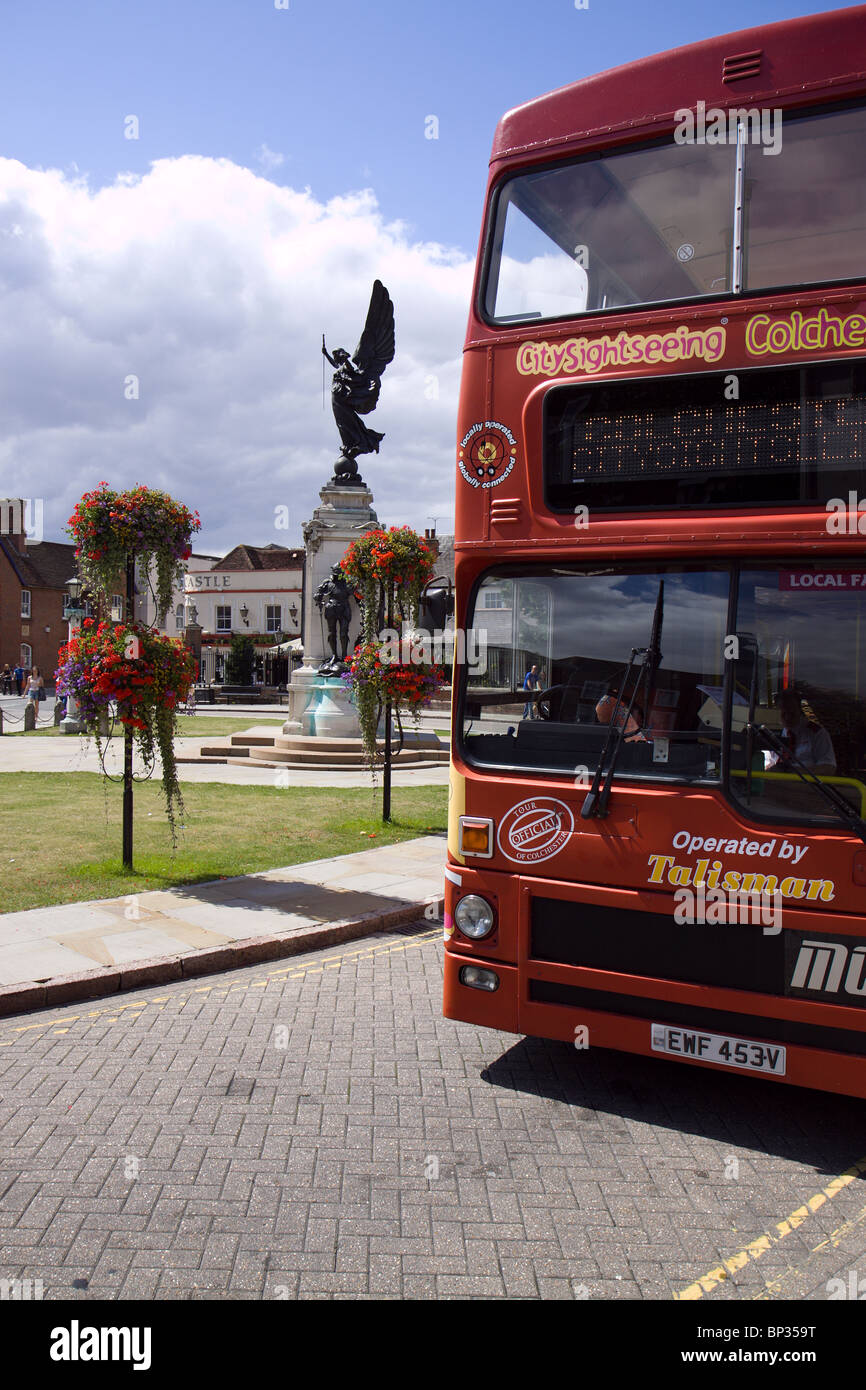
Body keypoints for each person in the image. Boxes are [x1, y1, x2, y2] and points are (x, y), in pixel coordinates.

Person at [764, 690, 836, 775]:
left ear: (799, 710)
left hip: (806, 785)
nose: (787, 718)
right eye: (783, 713)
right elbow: (766, 762)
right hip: (776, 783)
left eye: (791, 713)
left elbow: (829, 768)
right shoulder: (771, 734)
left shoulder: (816, 733)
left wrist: (793, 773)